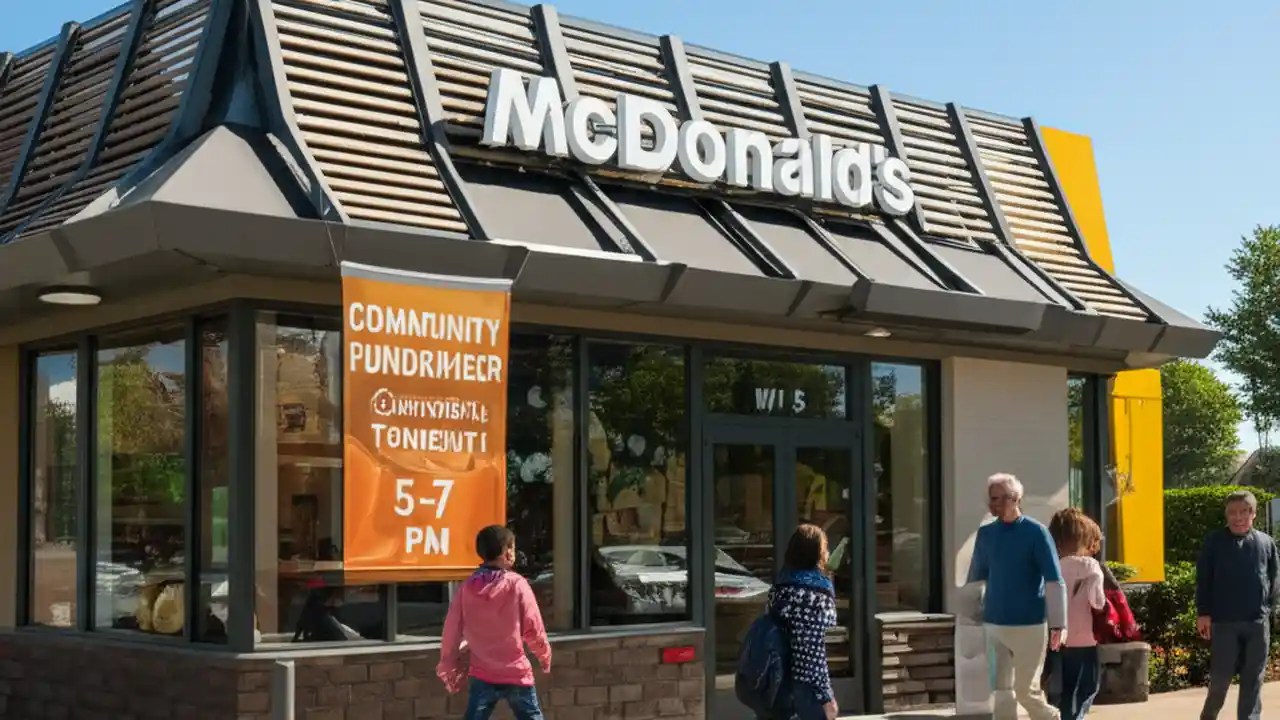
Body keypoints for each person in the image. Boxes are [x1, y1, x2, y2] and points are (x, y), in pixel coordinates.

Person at [965, 473, 1065, 720]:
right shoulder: (986, 534)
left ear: (1016, 499)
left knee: (1025, 691)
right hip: (994, 622)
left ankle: (1050, 717)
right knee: (1001, 691)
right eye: (991, 499)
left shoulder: (1036, 533)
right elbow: (977, 577)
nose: (994, 504)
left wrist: (1059, 623)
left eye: (1000, 498)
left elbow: (1054, 580)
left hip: (1029, 623)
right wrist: (970, 614)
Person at [437, 526, 552, 720]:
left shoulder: (467, 588)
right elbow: (534, 627)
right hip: (516, 673)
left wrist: (448, 664)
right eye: (513, 548)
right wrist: (544, 654)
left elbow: (452, 630)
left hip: (482, 673)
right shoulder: (517, 585)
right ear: (507, 552)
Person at [1196, 490, 1280, 720]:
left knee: (1253, 677)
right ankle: (1209, 716)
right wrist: (1203, 613)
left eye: (1244, 511)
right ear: (1226, 514)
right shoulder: (1214, 542)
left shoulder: (1266, 543)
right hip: (1224, 622)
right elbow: (1204, 579)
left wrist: (1268, 609)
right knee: (1221, 678)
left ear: (1253, 514)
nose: (1238, 517)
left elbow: (1274, 578)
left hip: (1256, 622)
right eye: (1232, 512)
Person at [769, 524, 839, 720]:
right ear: (817, 554)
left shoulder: (780, 586)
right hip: (805, 689)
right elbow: (812, 651)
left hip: (775, 683)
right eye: (824, 548)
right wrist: (825, 696)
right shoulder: (816, 593)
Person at [1047, 508, 1106, 720]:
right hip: (1084, 640)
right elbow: (1097, 602)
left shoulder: (1050, 567)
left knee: (1061, 692)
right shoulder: (1090, 566)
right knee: (1087, 688)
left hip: (1056, 639)